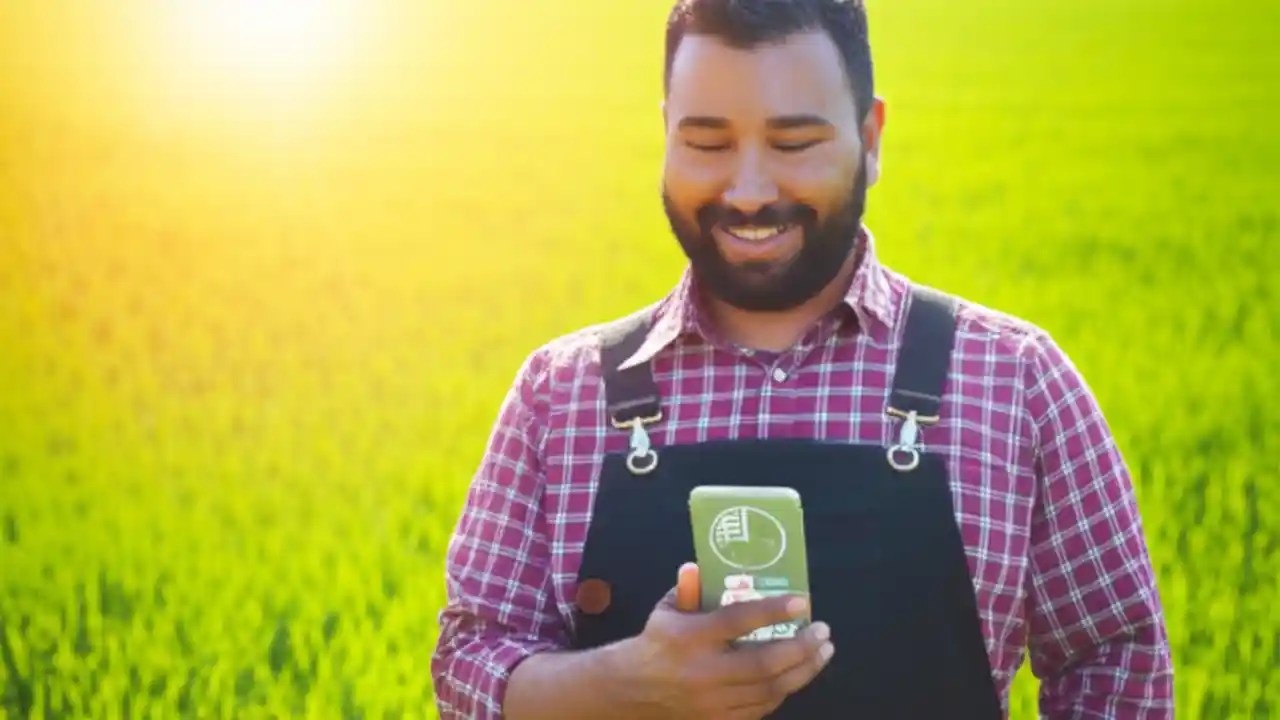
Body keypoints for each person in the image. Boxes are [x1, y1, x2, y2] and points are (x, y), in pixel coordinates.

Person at [431, 0, 1174, 717]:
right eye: (708, 144)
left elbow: (1115, 662)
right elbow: (468, 665)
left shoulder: (1014, 382)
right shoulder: (560, 395)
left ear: (870, 139)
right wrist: (628, 686)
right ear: (666, 136)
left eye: (794, 145)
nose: (749, 192)